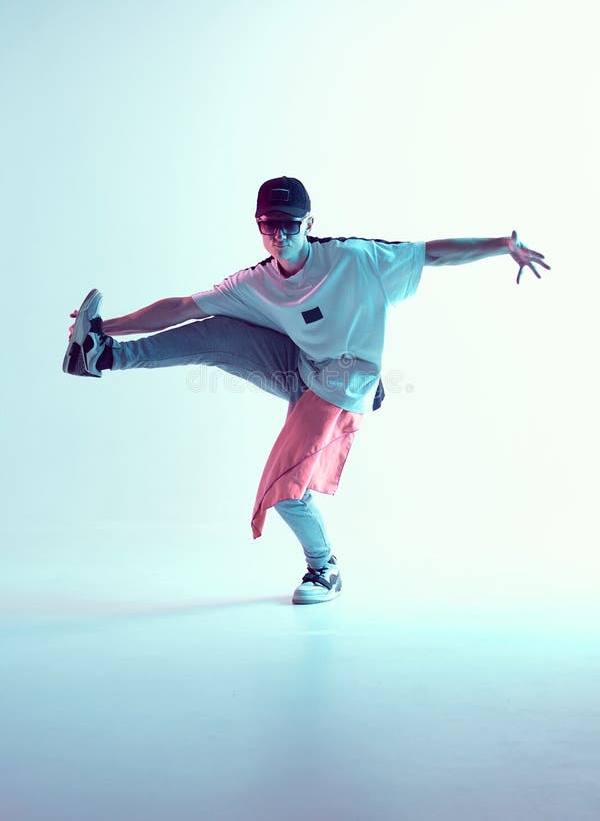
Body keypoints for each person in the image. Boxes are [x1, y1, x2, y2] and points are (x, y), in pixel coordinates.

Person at [63, 176, 550, 605]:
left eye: (290, 225)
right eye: (270, 225)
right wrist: (109, 326)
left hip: (344, 383)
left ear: (309, 223)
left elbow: (431, 253)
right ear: (258, 225)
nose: (280, 235)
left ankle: (325, 568)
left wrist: (501, 245)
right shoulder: (257, 280)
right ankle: (102, 354)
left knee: (285, 486)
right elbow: (183, 306)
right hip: (299, 366)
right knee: (212, 328)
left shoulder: (356, 259)